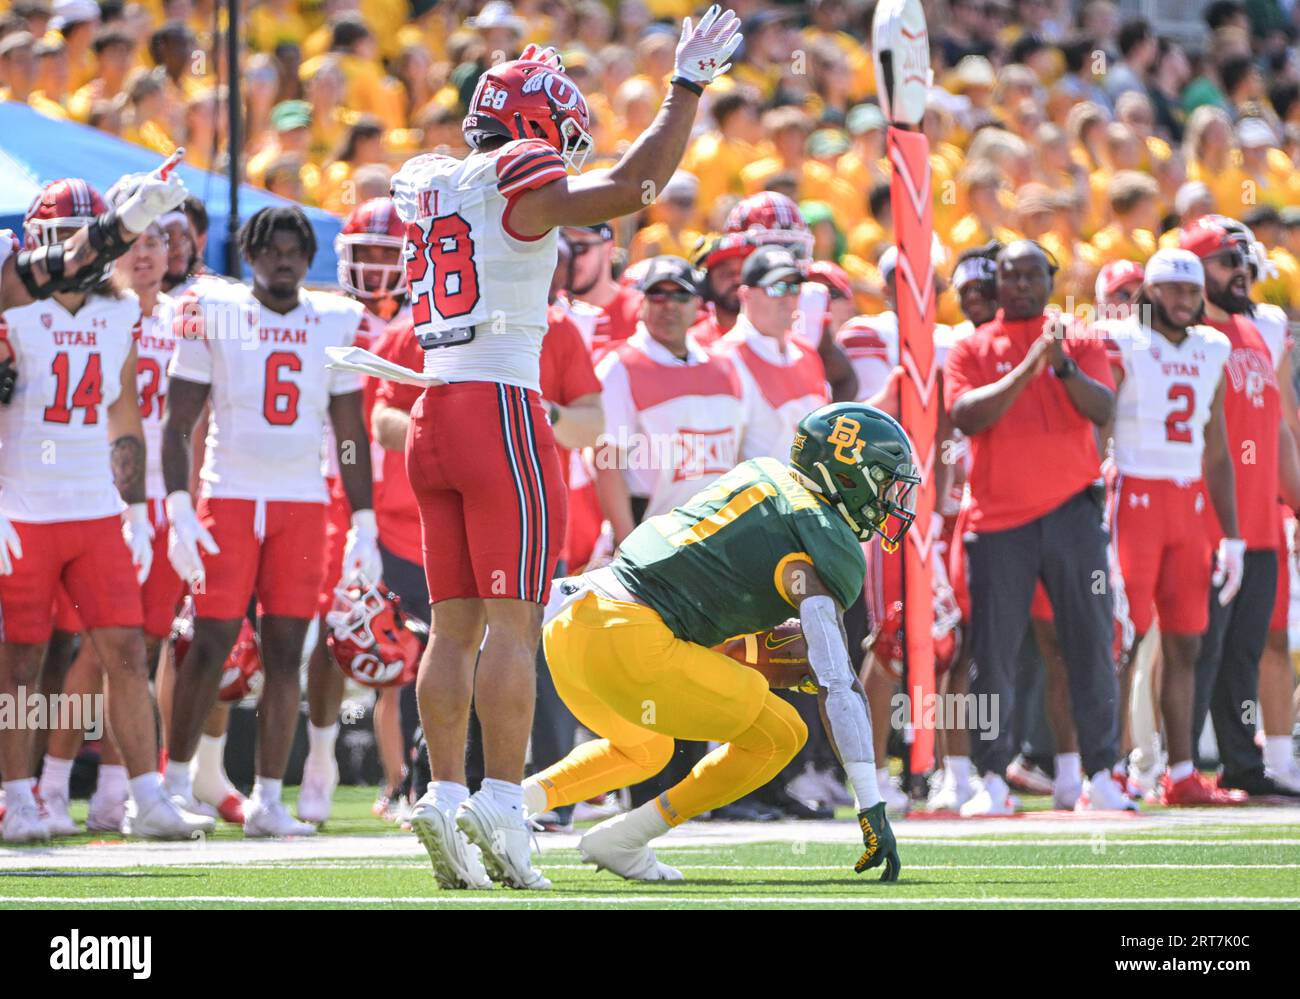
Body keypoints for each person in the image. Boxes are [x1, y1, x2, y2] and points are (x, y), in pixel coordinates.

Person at [337, 14, 744, 891]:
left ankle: (443, 795)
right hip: (500, 406)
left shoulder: (432, 179)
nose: (566, 151)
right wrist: (688, 86)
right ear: (533, 129)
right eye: (560, 136)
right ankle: (502, 804)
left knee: (452, 629)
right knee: (513, 623)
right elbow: (637, 186)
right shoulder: (517, 174)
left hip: (435, 407)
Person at [526, 402, 916, 881]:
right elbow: (838, 683)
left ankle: (511, 807)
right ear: (847, 477)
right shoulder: (818, 542)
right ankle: (624, 832)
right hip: (631, 642)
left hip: (574, 626)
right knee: (781, 732)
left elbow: (703, 587)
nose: (889, 499)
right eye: (882, 482)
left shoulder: (761, 474)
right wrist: (870, 803)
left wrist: (748, 649)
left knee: (645, 749)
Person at [0, 177, 212, 843]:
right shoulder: (12, 304)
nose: (74, 253)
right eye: (60, 240)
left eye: (82, 237)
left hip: (94, 506)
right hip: (24, 505)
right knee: (22, 663)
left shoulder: (120, 312)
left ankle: (144, 796)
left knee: (127, 648)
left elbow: (123, 410)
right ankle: (18, 795)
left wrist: (138, 506)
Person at [160, 206, 382, 837]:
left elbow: (349, 432)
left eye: (294, 250)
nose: (284, 259)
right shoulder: (217, 311)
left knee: (288, 653)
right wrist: (178, 506)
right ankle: (173, 786)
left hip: (301, 503)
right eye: (272, 249)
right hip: (228, 496)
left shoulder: (335, 319)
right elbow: (177, 423)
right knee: (208, 646)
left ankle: (269, 800)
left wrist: (363, 517)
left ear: (308, 258)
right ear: (251, 255)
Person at [944, 240, 1125, 816]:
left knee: (1089, 646)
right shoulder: (970, 345)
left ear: (1050, 278)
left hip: (1072, 511)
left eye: (1031, 275)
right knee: (991, 656)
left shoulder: (1081, 338)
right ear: (995, 283)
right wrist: (1029, 367)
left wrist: (1062, 364)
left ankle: (1102, 775)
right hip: (998, 522)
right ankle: (990, 780)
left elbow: (1102, 409)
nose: (1020, 284)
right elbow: (967, 415)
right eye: (1009, 275)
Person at [1105, 248, 1244, 805]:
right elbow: (1100, 415)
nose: (1184, 300)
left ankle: (1181, 772)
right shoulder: (1124, 340)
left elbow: (1216, 449)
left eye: (1191, 291)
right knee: (1123, 639)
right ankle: (1108, 770)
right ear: (1150, 292)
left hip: (1189, 505)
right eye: (1171, 290)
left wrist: (1230, 533)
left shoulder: (1214, 346)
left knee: (1186, 641)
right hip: (1135, 493)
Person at [299, 197, 411, 825]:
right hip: (333, 493)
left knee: (407, 642)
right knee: (326, 631)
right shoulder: (327, 317)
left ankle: (407, 778)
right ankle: (320, 759)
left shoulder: (429, 321)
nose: (373, 268)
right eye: (363, 254)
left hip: (405, 500)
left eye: (385, 255)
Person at [1182, 218, 1300, 799]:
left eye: (1244, 263)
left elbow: (1276, 428)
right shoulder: (1186, 335)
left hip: (1259, 521)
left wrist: (1297, 502)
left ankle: (1241, 765)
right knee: (1196, 647)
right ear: (1195, 267)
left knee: (1245, 651)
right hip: (1207, 521)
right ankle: (1174, 767)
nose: (1241, 273)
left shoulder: (1258, 330)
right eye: (1227, 261)